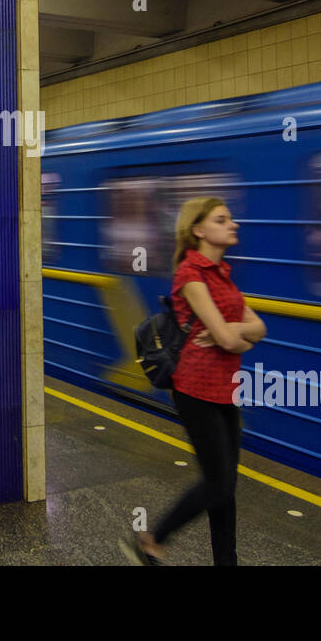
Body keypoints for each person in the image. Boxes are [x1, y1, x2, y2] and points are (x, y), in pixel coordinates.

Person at [122, 197, 266, 567]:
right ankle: (153, 538)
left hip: (224, 389)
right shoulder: (190, 274)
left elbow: (258, 329)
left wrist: (232, 328)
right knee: (218, 484)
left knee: (225, 487)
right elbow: (236, 341)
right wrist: (235, 332)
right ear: (199, 230)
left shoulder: (222, 275)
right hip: (195, 390)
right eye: (222, 219)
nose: (233, 224)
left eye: (231, 218)